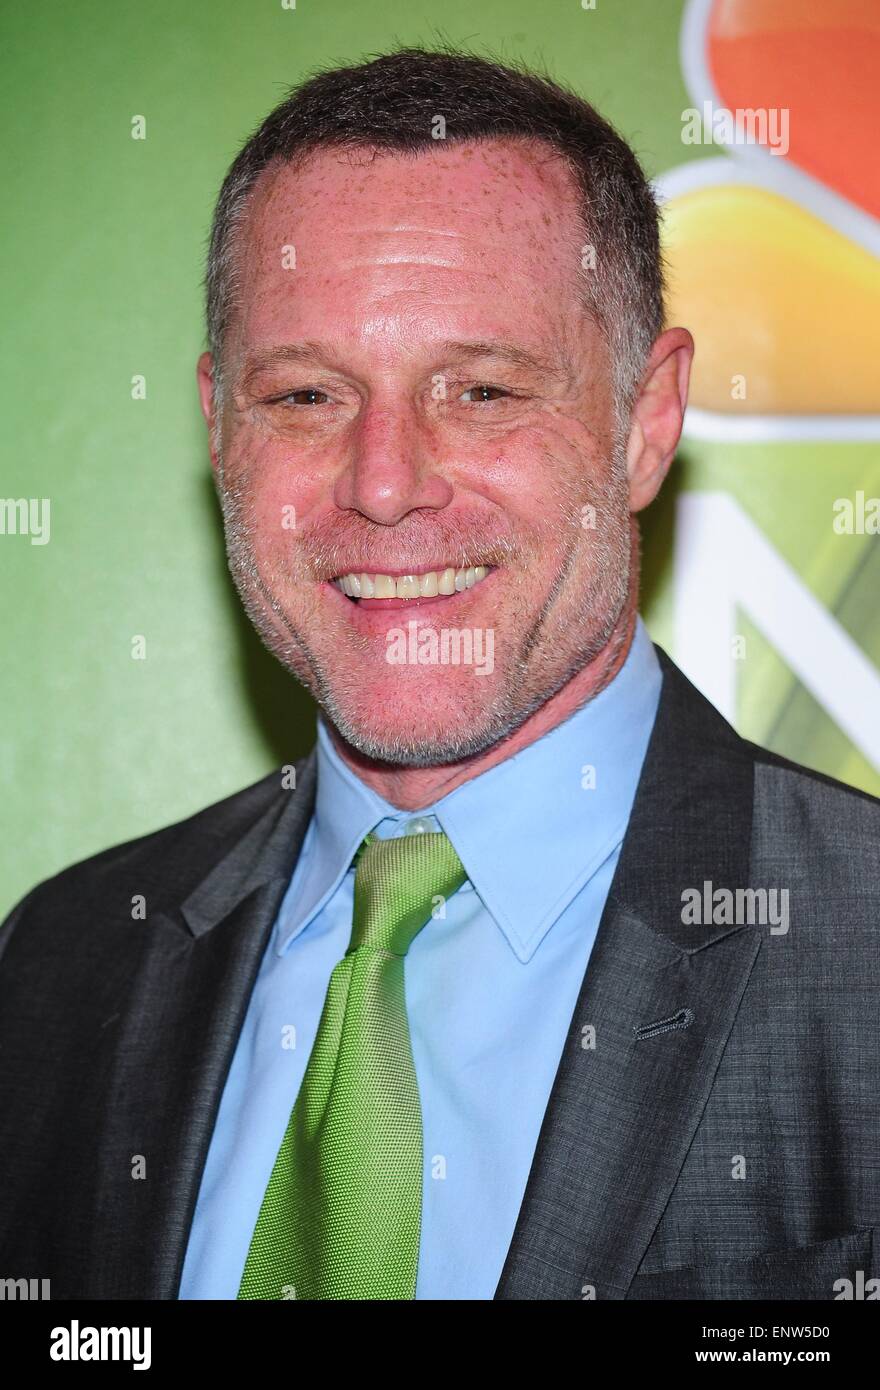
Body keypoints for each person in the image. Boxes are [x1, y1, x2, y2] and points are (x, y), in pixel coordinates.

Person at [1, 46, 877, 1302]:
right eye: (304, 394)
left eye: (479, 389)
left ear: (645, 419)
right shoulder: (58, 964)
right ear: (216, 428)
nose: (383, 481)